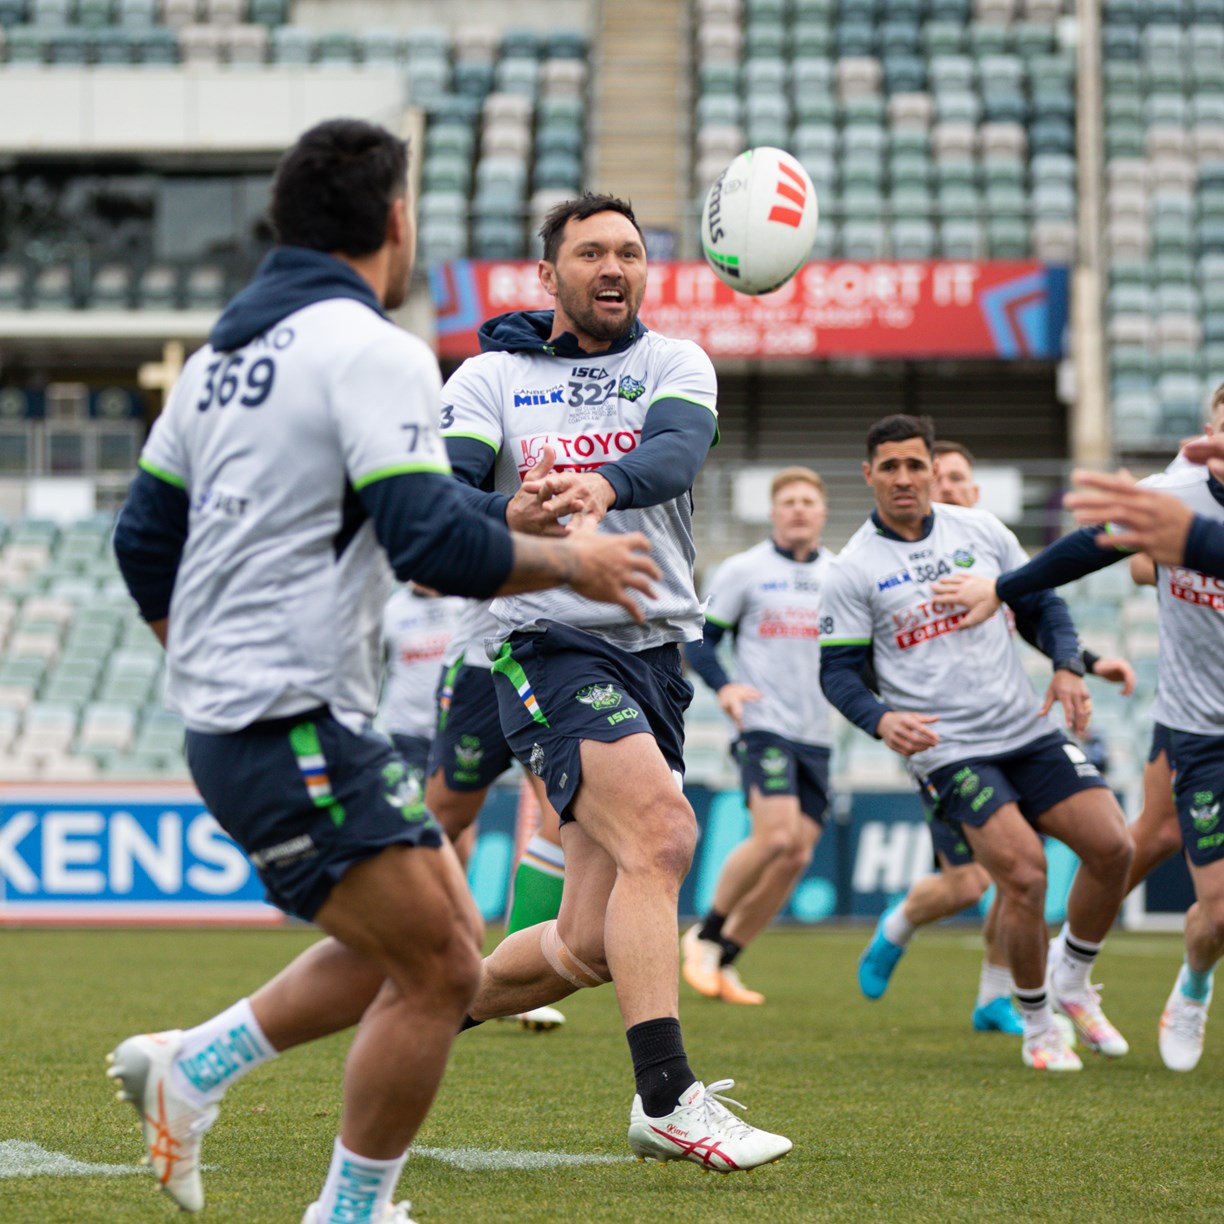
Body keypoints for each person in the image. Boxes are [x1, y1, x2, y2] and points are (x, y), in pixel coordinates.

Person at [104, 120, 661, 1222]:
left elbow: (139, 538)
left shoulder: (218, 361)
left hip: (264, 718)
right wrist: (572, 561)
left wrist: (502, 512)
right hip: (291, 719)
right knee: (447, 971)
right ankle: (350, 1213)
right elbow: (425, 548)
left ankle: (197, 1069)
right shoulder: (375, 350)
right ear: (396, 223)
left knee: (419, 943)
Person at [437, 192, 791, 1170]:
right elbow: (449, 499)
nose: (613, 267)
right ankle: (668, 1099)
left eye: (629, 253)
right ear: (547, 273)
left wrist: (603, 482)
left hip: (653, 658)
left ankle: (422, 1008)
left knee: (589, 946)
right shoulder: (489, 378)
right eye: (590, 251)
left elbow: (675, 454)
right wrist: (520, 510)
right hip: (543, 640)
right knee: (667, 834)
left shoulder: (675, 363)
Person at [820, 414, 1134, 1073]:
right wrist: (880, 720)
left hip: (1024, 728)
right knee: (1021, 873)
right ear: (868, 474)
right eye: (890, 466)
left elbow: (1042, 606)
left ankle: (1072, 978)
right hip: (949, 748)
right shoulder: (852, 569)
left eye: (915, 464)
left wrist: (1070, 665)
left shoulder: (983, 531)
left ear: (934, 469)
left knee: (1114, 847)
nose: (904, 477)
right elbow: (838, 672)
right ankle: (1039, 1024)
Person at [939, 419, 1224, 1075]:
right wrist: (1006, 591)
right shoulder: (1173, 493)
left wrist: (1189, 547)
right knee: (1153, 861)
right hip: (1199, 723)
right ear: (1210, 434)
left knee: (1136, 841)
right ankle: (1149, 986)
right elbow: (1093, 550)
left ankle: (1070, 969)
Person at [681, 466, 835, 1006]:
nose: (798, 509)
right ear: (774, 512)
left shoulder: (840, 576)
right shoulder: (745, 569)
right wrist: (724, 688)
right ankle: (703, 933)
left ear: (822, 512)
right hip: (763, 725)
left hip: (818, 732)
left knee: (795, 854)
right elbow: (699, 641)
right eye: (788, 501)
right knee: (775, 836)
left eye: (807, 501)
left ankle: (725, 956)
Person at [424, 595, 568, 1030]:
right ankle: (394, 956)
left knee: (564, 820)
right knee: (443, 821)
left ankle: (512, 982)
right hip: (481, 668)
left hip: (551, 666)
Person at [379, 583, 464, 791]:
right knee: (416, 809)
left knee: (455, 816)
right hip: (409, 730)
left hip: (455, 726)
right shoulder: (391, 611)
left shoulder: (462, 603)